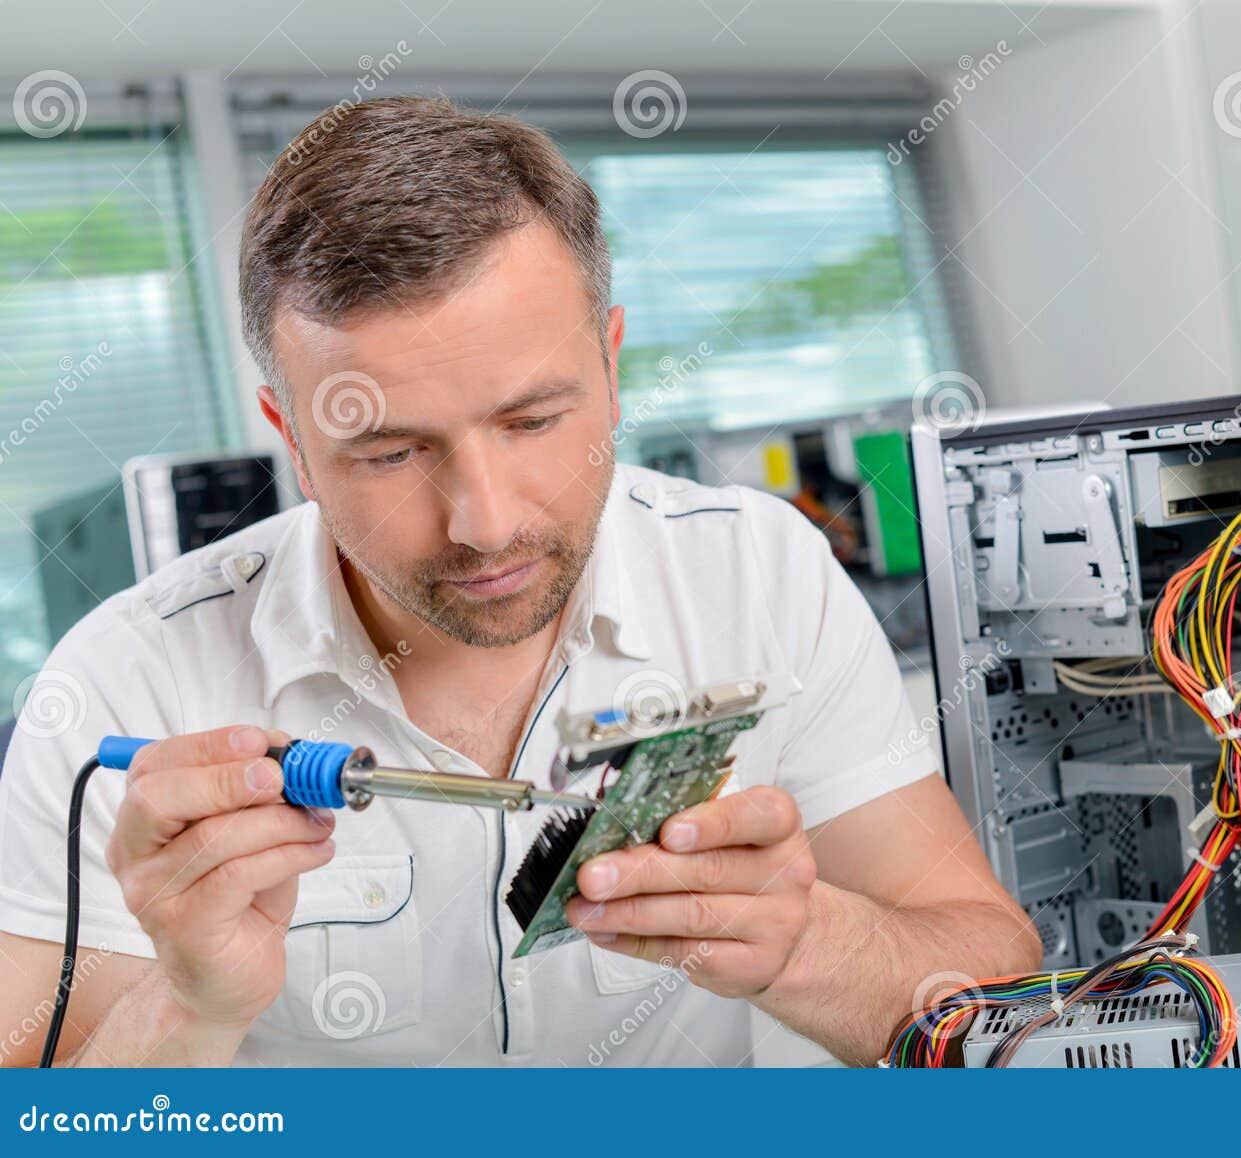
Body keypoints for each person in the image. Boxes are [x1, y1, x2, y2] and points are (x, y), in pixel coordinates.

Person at [0, 95, 1039, 1068]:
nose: (485, 521)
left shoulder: (758, 572)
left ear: (614, 364)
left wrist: (802, 942)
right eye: (391, 453)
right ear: (293, 443)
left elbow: (1001, 979)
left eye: (532, 421)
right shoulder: (121, 683)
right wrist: (191, 1007)